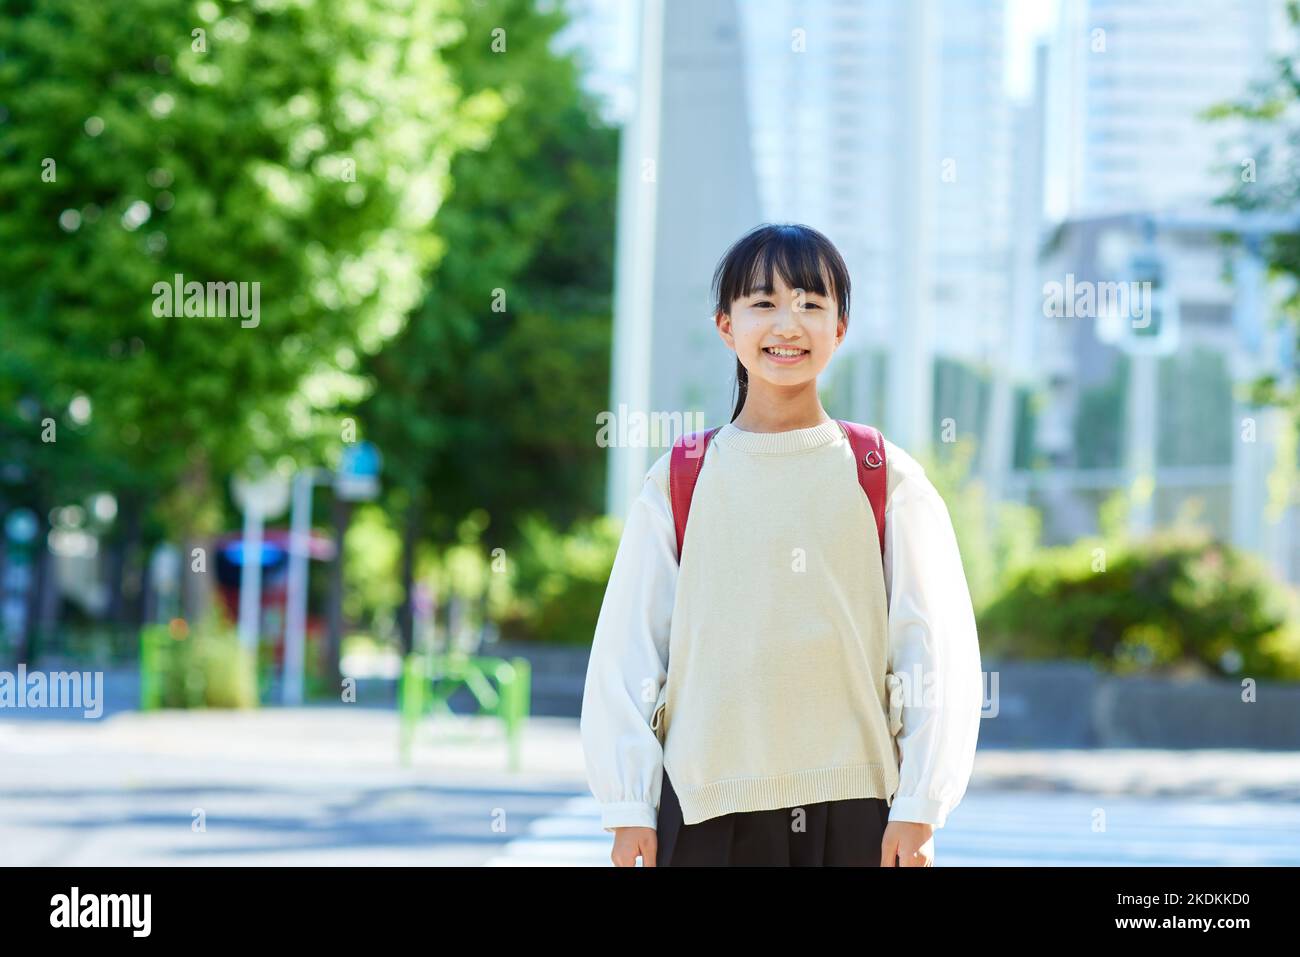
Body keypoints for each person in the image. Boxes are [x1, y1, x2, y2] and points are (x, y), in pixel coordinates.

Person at [580, 223, 984, 866]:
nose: (787, 324)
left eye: (811, 304)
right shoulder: (681, 477)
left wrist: (920, 806)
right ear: (726, 325)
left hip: (856, 812)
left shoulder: (882, 473)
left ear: (840, 329)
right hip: (705, 808)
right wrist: (628, 806)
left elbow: (931, 648)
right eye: (763, 303)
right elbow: (629, 650)